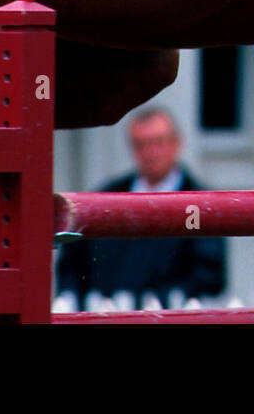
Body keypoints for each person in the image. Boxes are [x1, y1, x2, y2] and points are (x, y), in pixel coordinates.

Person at [55, 107, 227, 310]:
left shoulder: (203, 202)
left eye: (158, 143)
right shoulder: (106, 196)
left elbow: (211, 275)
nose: (150, 153)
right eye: (141, 145)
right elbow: (72, 262)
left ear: (176, 144)